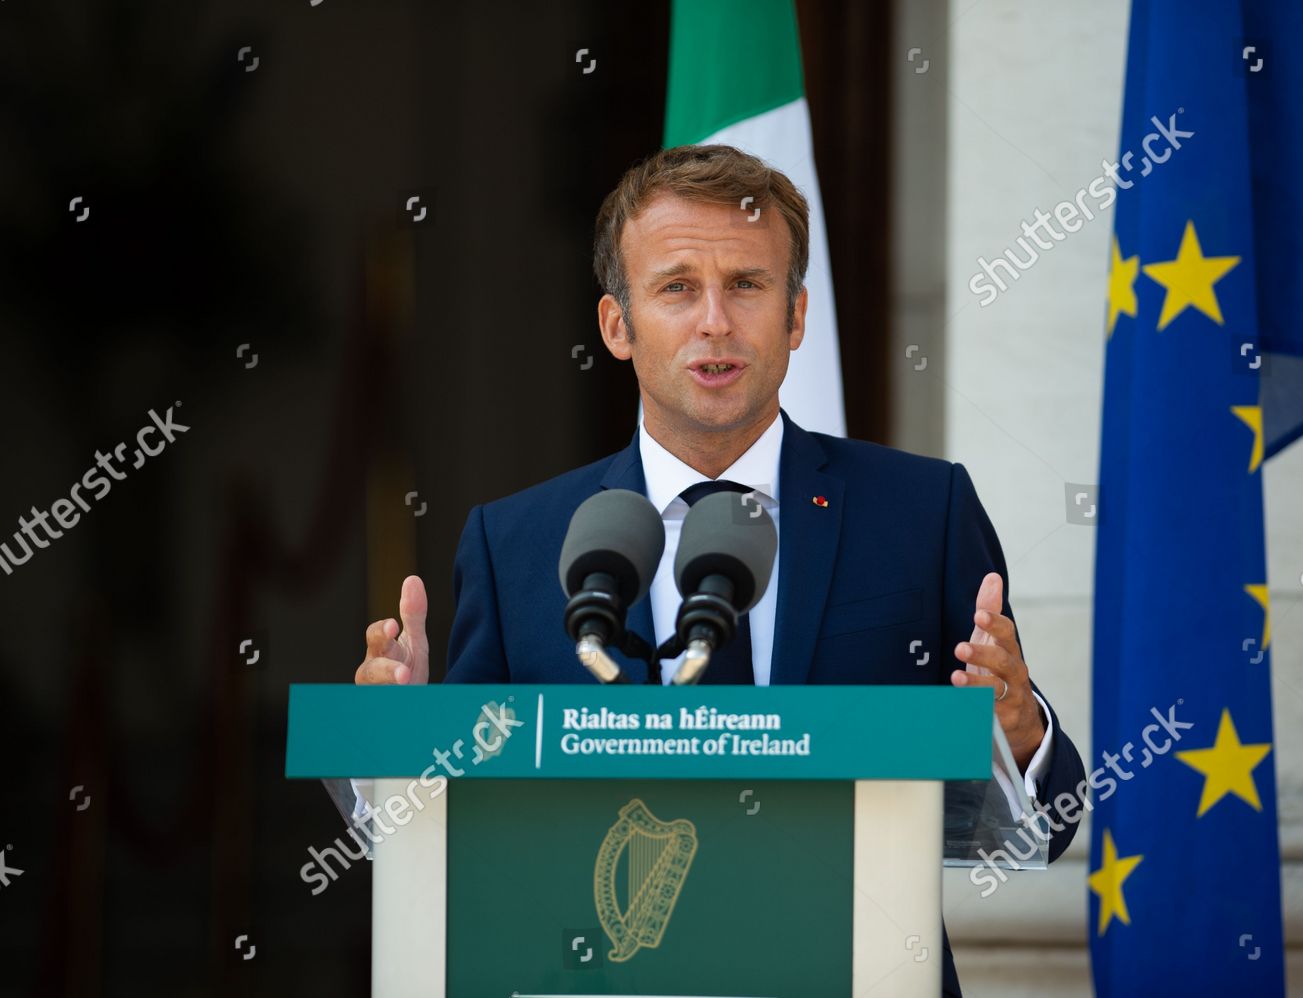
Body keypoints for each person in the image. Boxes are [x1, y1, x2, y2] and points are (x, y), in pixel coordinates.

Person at [353, 143, 1084, 996]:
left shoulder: (922, 513)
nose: (715, 322)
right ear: (616, 327)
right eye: (676, 288)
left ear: (796, 316)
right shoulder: (516, 542)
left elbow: (1044, 822)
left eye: (746, 285)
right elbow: (466, 837)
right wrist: (398, 750)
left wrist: (1019, 731)